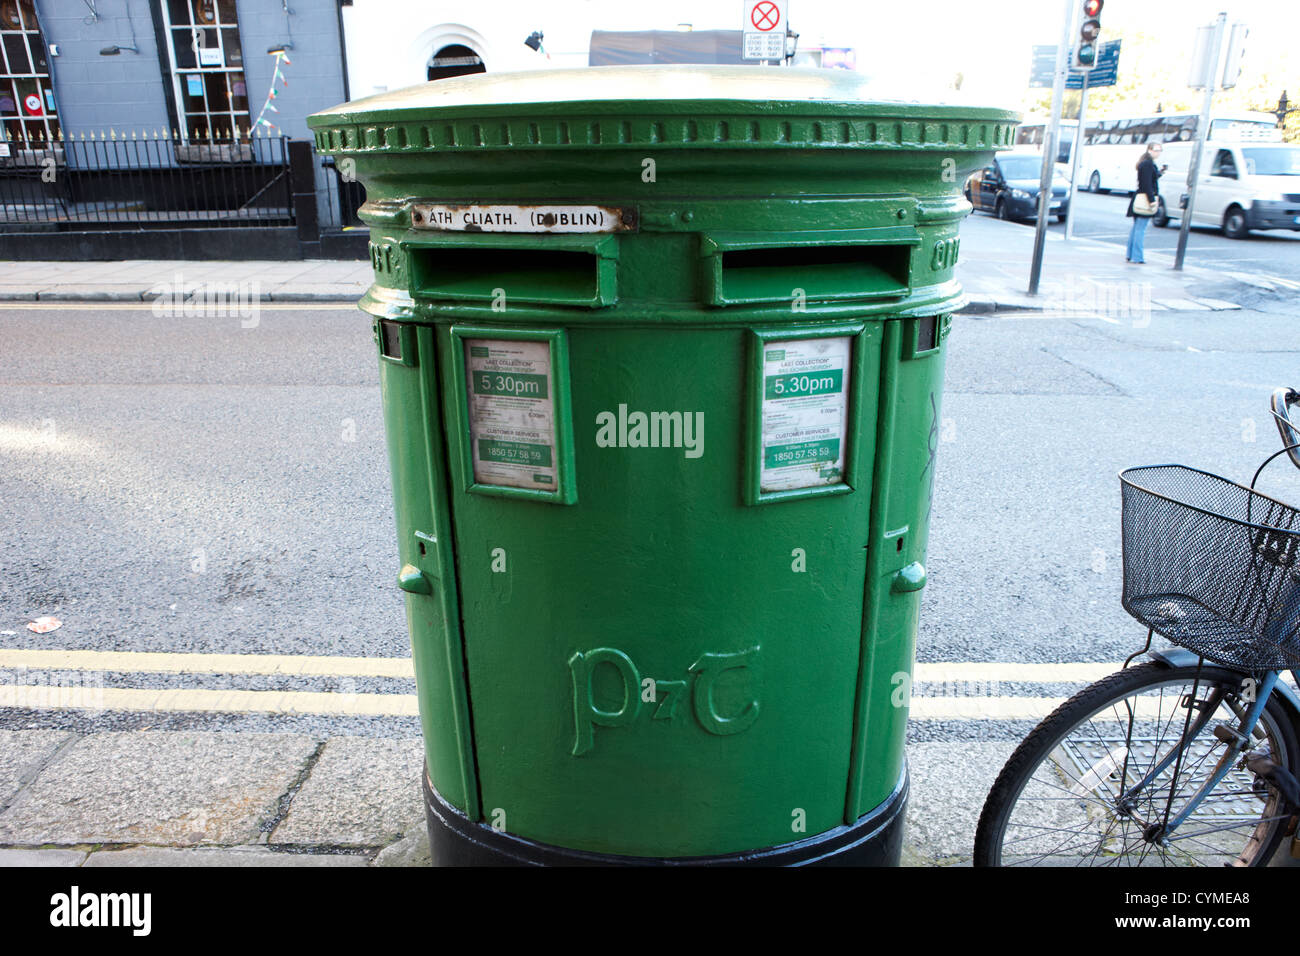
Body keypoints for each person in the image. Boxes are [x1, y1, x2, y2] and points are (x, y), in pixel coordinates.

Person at [1125, 143, 1164, 263]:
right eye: (1156, 150)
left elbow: (1147, 180)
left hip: (1139, 198)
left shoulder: (1145, 163)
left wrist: (1159, 173)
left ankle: (1131, 254)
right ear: (1149, 150)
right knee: (1140, 229)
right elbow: (1146, 184)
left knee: (1137, 227)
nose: (1158, 153)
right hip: (1144, 200)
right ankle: (1137, 257)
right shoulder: (1148, 164)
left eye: (1160, 150)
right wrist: (1152, 201)